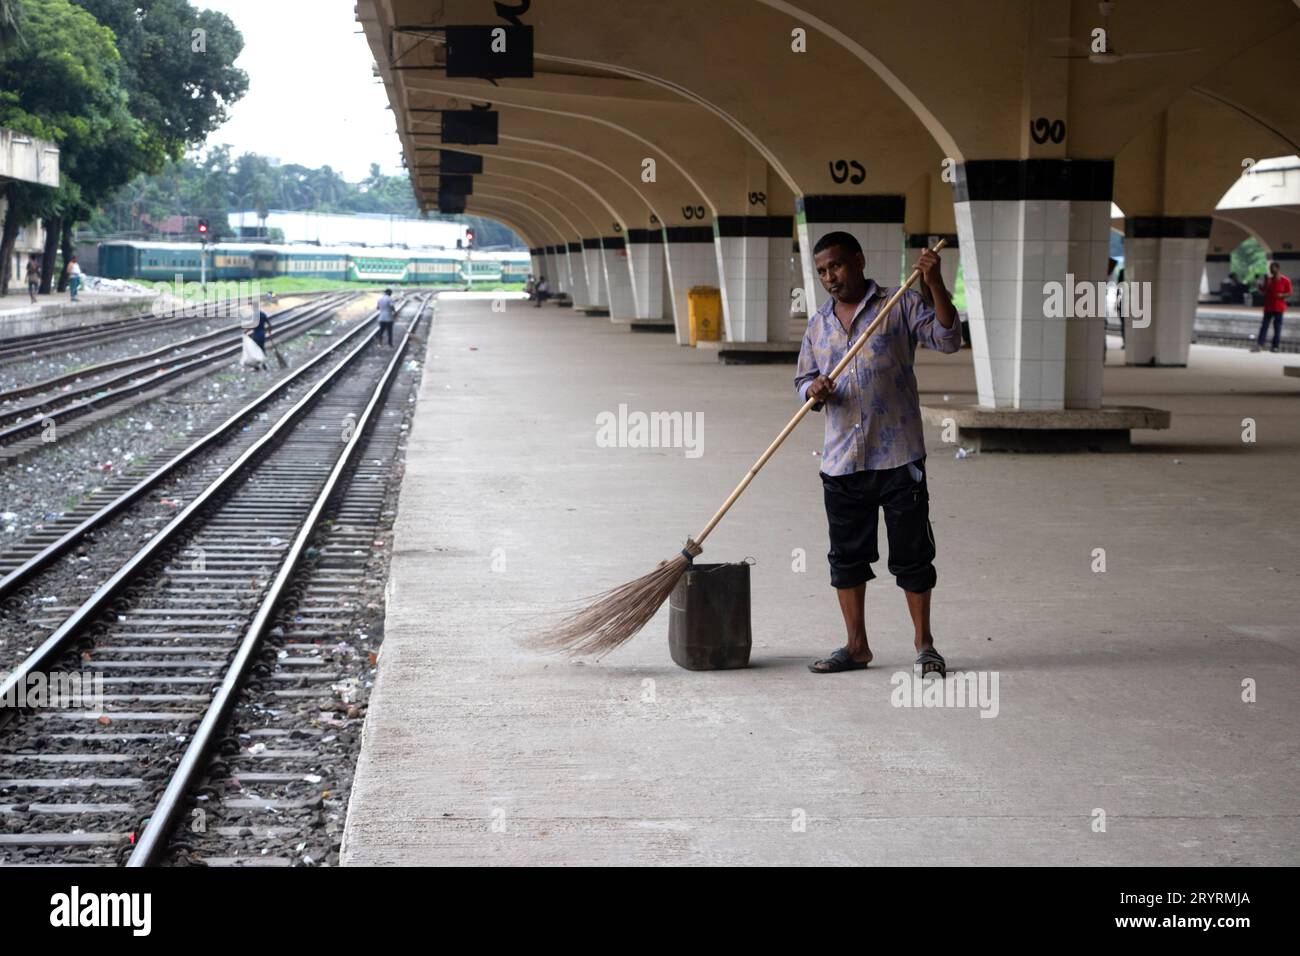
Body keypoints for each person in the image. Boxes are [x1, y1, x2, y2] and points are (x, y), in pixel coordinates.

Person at [794, 231, 961, 678]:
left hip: (899, 457)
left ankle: (925, 646)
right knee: (846, 558)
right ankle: (856, 646)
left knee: (912, 556)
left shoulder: (899, 302)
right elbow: (803, 383)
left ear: (860, 260)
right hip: (842, 462)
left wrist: (935, 283)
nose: (831, 277)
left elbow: (947, 339)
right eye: (823, 271)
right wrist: (815, 390)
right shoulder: (819, 324)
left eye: (838, 266)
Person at [1252, 261, 1291, 353]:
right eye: (1270, 268)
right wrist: (1259, 286)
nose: (1270, 270)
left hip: (1279, 307)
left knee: (1277, 328)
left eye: (1272, 268)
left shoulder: (1285, 280)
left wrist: (1282, 295)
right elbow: (1264, 290)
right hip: (1268, 307)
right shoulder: (1269, 280)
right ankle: (1259, 345)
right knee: (1264, 326)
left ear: (1277, 268)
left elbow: (1289, 292)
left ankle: (1275, 346)